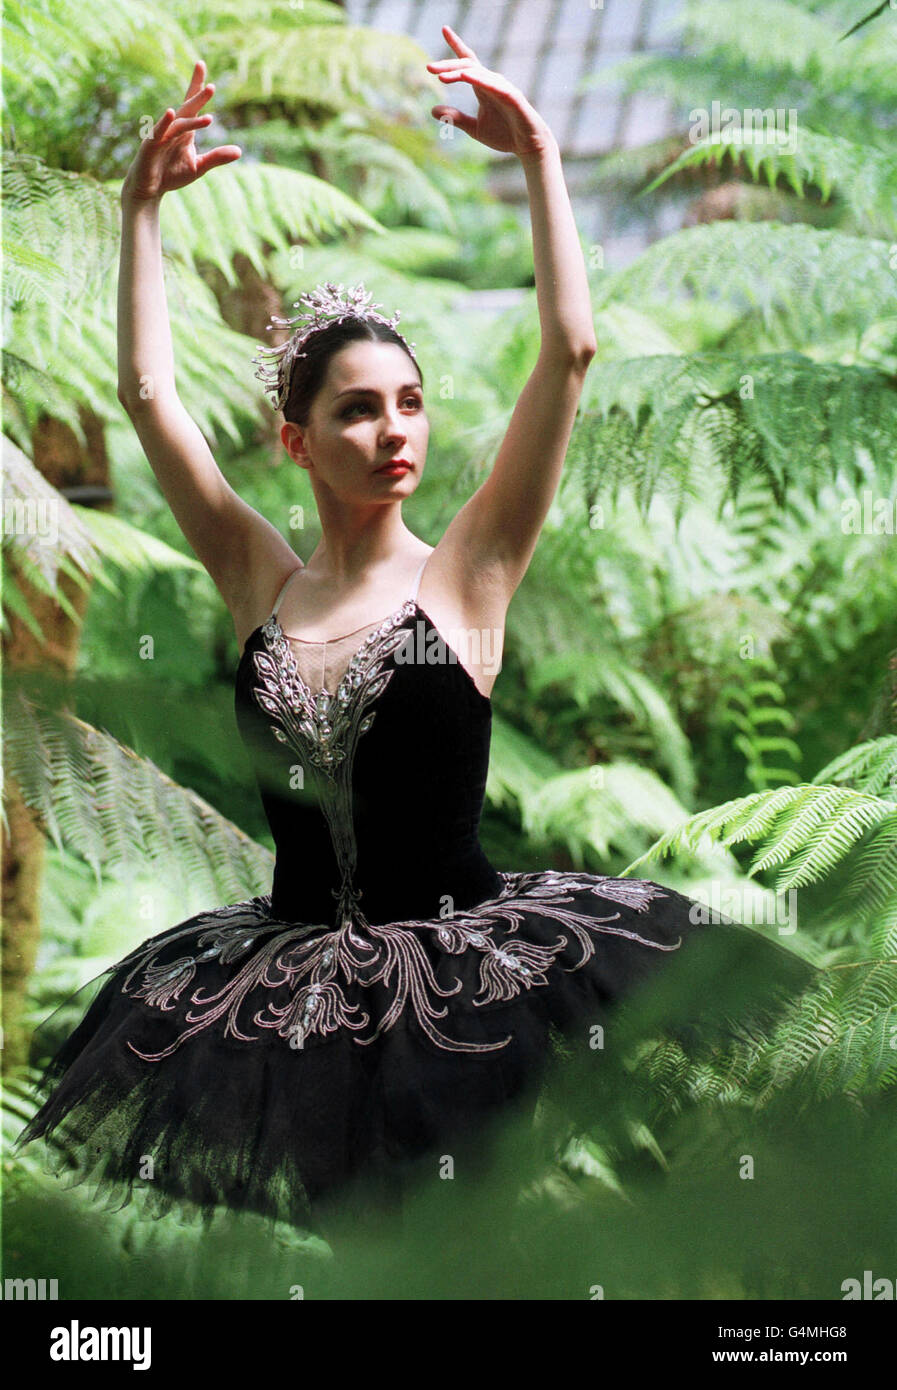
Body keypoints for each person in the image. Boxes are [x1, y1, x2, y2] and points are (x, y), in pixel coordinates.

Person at [16, 28, 808, 1237]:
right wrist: (141, 217)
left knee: (447, 1242)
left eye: (412, 403)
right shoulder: (258, 583)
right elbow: (145, 396)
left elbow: (572, 350)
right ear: (296, 442)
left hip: (464, 982)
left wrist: (540, 155)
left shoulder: (472, 574)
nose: (396, 430)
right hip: (279, 987)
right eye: (358, 409)